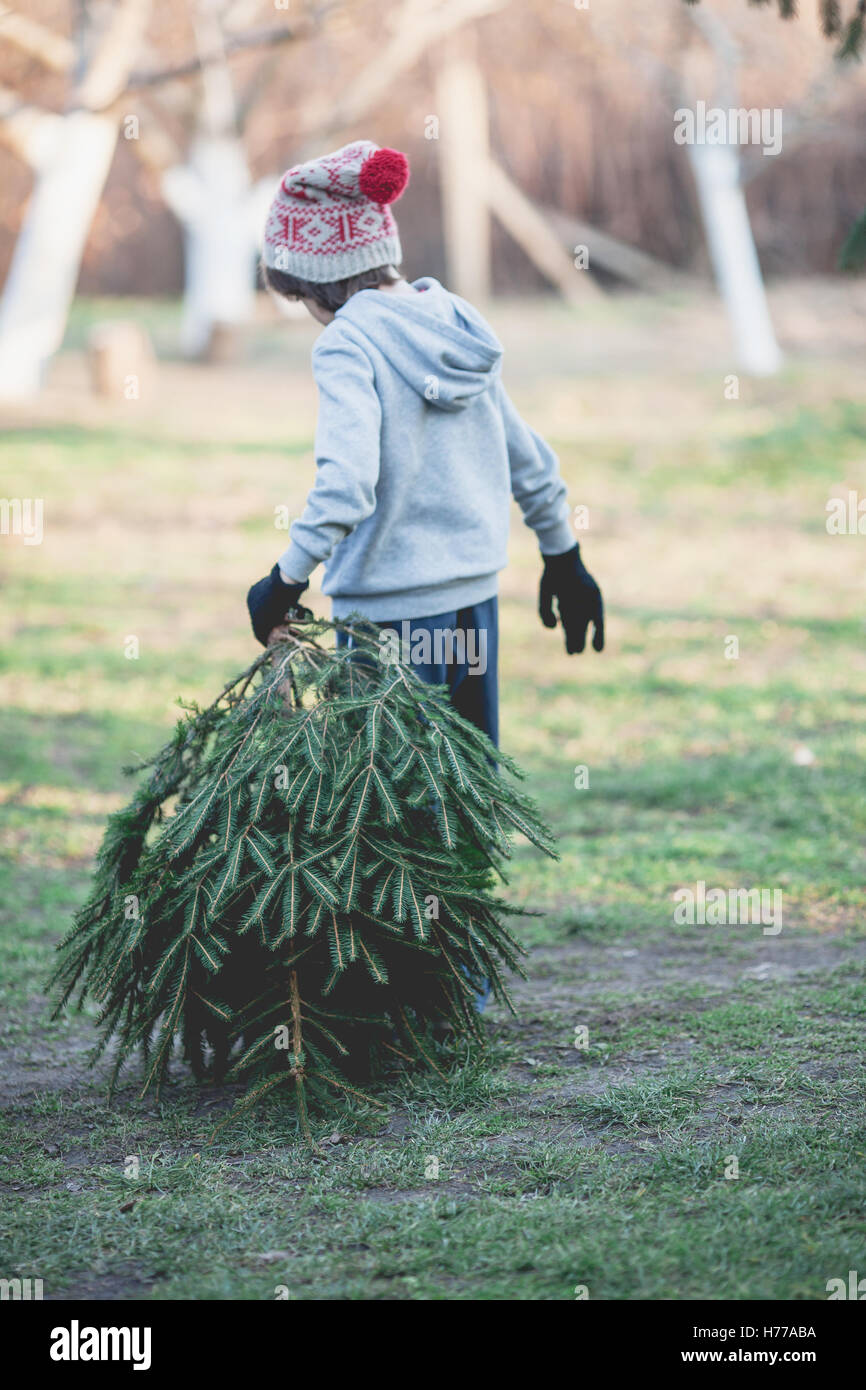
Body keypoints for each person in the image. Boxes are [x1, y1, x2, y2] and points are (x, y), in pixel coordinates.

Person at [247, 140, 604, 747]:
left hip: (386, 616)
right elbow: (527, 457)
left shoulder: (346, 343)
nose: (308, 314)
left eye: (300, 298)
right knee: (464, 801)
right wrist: (562, 554)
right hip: (473, 607)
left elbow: (347, 483)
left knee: (388, 814)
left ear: (316, 282)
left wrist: (284, 579)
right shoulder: (454, 323)